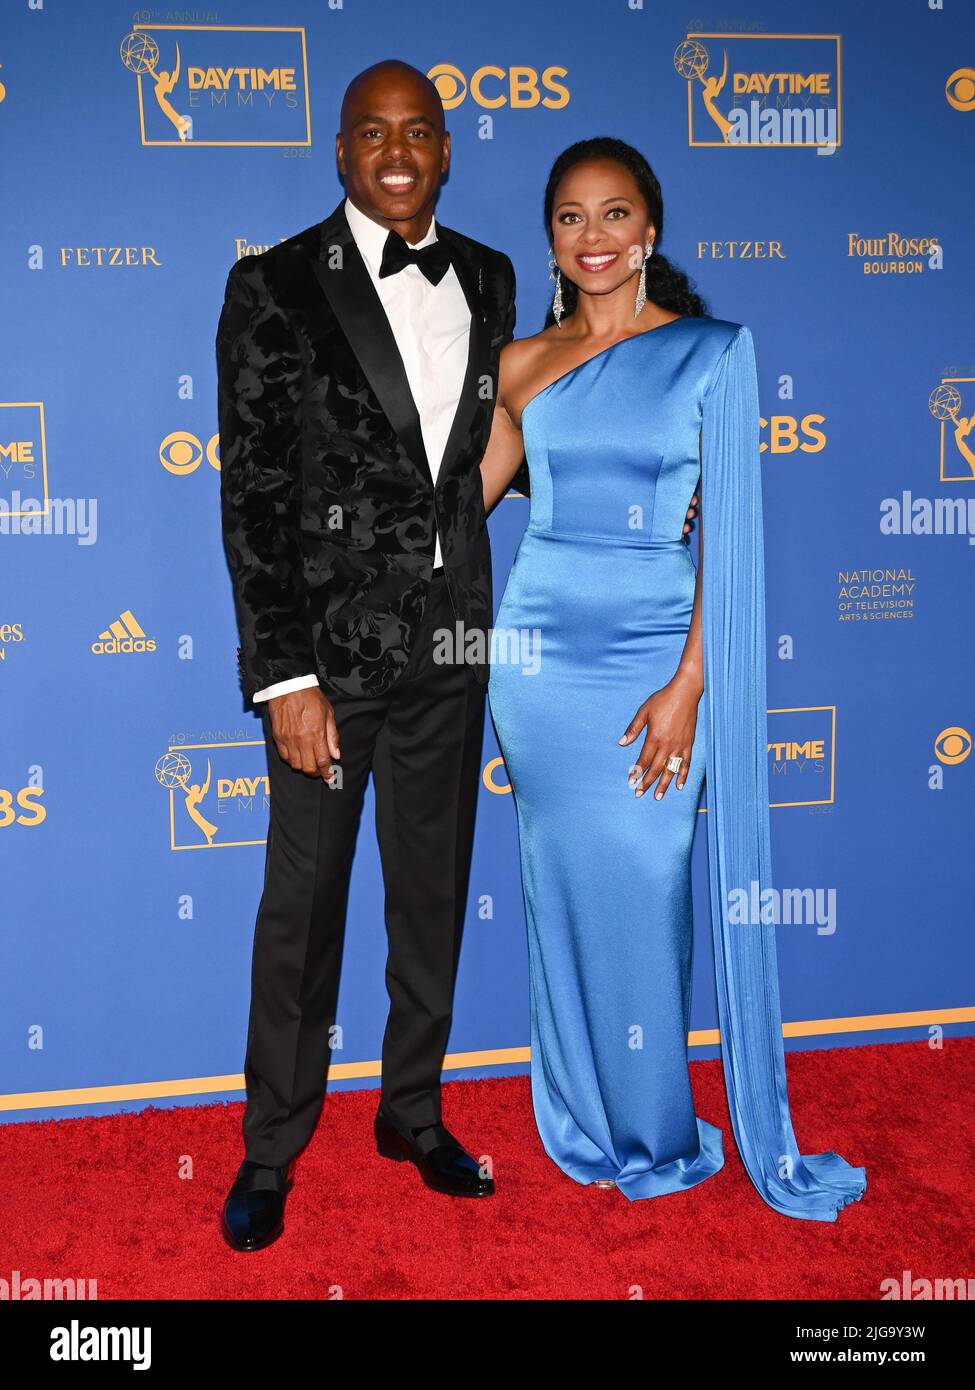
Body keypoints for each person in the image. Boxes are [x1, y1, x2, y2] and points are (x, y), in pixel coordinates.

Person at [216, 65, 702, 1252]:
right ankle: (272, 1148)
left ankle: (413, 1111)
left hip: (456, 648)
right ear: (341, 153)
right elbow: (255, 494)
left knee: (429, 897)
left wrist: (660, 495)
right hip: (325, 670)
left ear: (446, 152)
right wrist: (284, 677)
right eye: (372, 133)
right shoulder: (273, 283)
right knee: (305, 908)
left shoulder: (489, 276)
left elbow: (512, 449)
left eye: (418, 133)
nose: (395, 151)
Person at [482, 137, 867, 1222]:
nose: (593, 237)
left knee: (645, 893)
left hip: (659, 652)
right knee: (557, 887)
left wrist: (692, 680)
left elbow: (729, 544)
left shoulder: (713, 353)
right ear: (550, 235)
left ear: (650, 230)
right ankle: (589, 1122)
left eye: (615, 215)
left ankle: (651, 1129)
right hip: (541, 657)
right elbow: (460, 513)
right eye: (571, 217)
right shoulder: (518, 364)